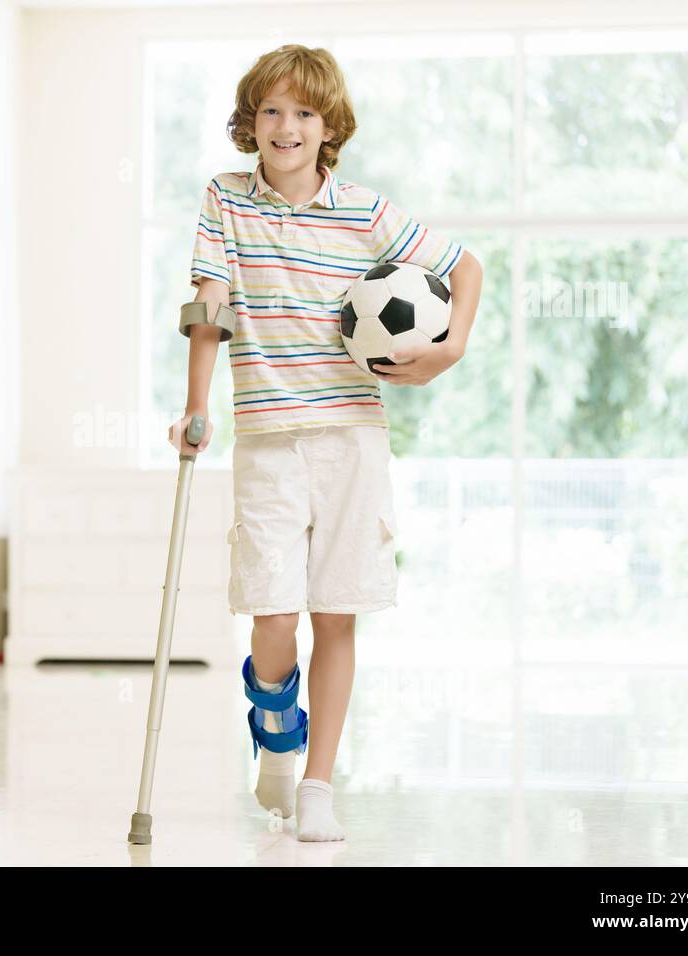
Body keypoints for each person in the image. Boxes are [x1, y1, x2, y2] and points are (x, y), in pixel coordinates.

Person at [169, 44, 484, 841]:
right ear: (251, 121)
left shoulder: (366, 212)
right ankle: (277, 731)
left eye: (304, 113)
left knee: (335, 613)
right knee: (273, 616)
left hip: (351, 436)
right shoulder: (226, 199)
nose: (287, 126)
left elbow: (466, 266)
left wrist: (448, 349)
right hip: (268, 436)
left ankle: (317, 784)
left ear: (327, 126)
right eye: (272, 110)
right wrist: (194, 408)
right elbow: (211, 307)